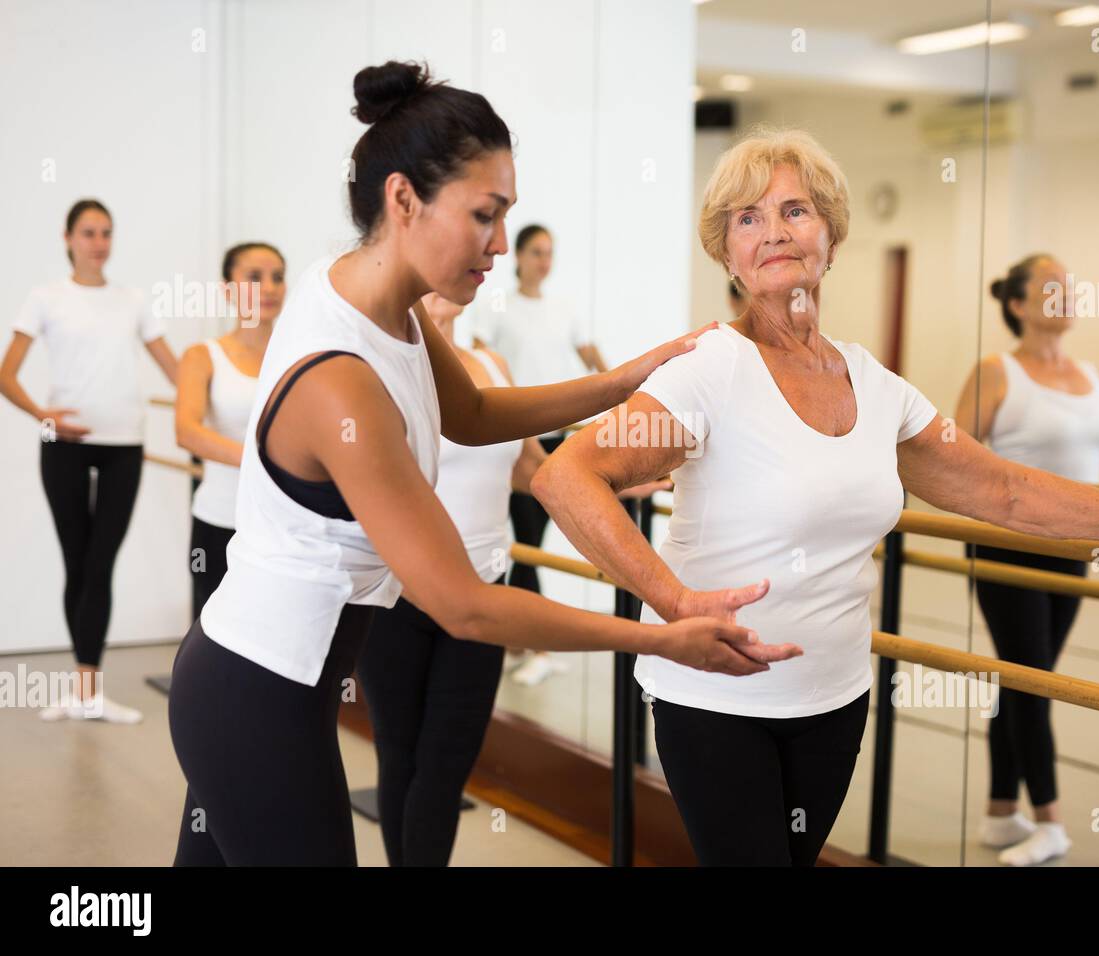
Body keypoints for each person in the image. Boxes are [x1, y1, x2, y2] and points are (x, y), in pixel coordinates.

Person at [531, 128, 1099, 867]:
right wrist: (673, 603)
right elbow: (567, 475)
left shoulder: (873, 384)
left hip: (834, 698)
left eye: (795, 211)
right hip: (714, 699)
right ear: (727, 254)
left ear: (831, 238)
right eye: (748, 218)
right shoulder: (707, 370)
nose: (773, 231)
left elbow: (1005, 492)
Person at [167, 61, 797, 866]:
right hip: (256, 696)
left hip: (257, 679)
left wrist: (635, 373)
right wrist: (660, 636)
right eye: (484, 215)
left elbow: (470, 414)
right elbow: (463, 605)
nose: (500, 244)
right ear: (403, 199)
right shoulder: (341, 382)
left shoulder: (372, 299)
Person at [357, 291, 666, 866]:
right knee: (402, 756)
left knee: (448, 760)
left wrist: (619, 483)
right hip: (397, 594)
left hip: (484, 595)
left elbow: (529, 468)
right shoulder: (384, 363)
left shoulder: (490, 366)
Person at [954, 253, 1099, 866]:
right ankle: (1050, 822)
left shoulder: (1094, 378)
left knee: (1021, 675)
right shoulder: (996, 371)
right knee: (1033, 678)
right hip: (1008, 547)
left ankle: (997, 813)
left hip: (1075, 553)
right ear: (1017, 305)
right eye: (1053, 288)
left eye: (1072, 288)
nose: (1068, 297)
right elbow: (953, 458)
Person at [0, 199, 179, 724]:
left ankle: (89, 691)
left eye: (106, 232)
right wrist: (42, 415)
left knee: (101, 564)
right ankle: (84, 688)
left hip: (124, 444)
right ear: (68, 238)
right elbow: (7, 374)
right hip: (65, 446)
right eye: (88, 232)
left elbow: (176, 369)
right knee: (77, 563)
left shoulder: (133, 301)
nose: (98, 242)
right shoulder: (45, 298)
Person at [470, 224, 607, 685]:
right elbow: (480, 357)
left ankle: (516, 641)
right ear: (520, 256)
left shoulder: (562, 307)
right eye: (536, 252)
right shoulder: (498, 305)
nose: (544, 261)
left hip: (555, 434)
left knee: (529, 541)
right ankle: (534, 644)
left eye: (550, 252)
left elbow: (587, 352)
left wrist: (623, 388)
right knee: (526, 542)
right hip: (513, 435)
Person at [175, 243, 285, 617]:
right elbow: (187, 432)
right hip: (220, 520)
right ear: (227, 289)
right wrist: (261, 460)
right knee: (210, 641)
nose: (269, 287)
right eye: (254, 277)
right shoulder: (202, 355)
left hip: (285, 524)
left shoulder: (300, 356)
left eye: (277, 277)